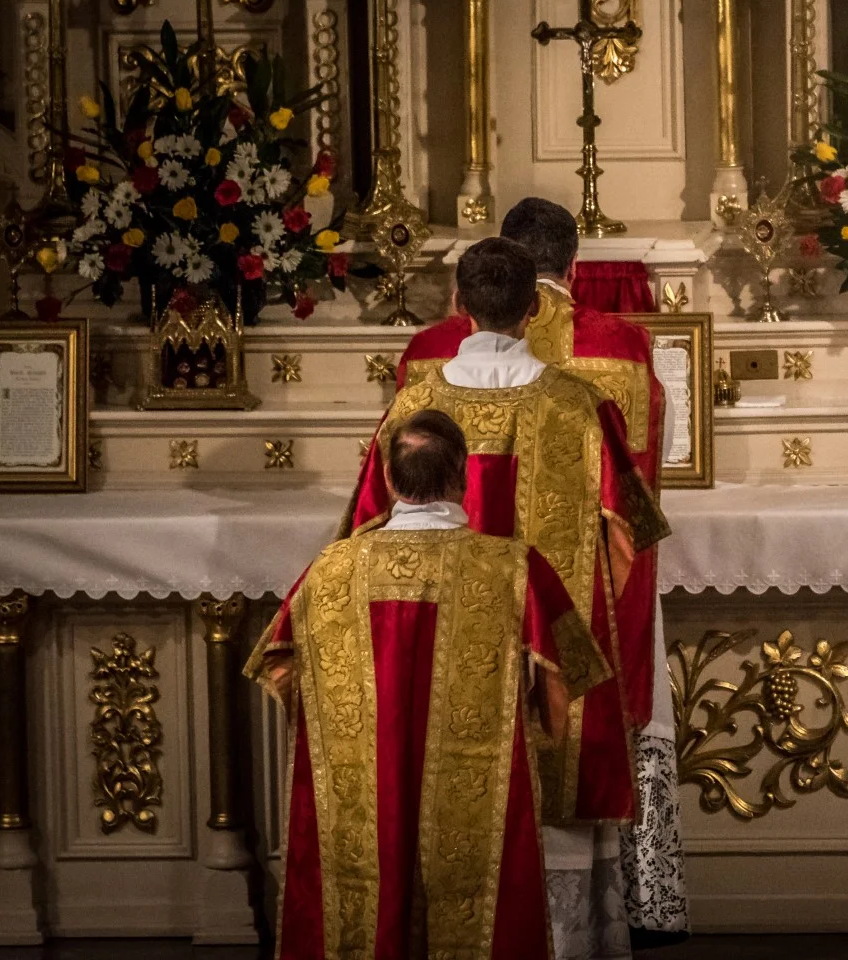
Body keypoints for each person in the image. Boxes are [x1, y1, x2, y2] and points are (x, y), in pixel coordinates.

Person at [349, 237, 668, 960]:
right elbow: (626, 546)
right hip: (545, 653)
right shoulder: (578, 405)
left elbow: (369, 534)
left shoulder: (413, 407)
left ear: (458, 304)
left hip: (437, 660)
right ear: (534, 310)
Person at [247, 410, 610, 959]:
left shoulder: (331, 569)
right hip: (475, 789)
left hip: (366, 790)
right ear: (463, 476)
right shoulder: (513, 567)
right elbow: (564, 678)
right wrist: (535, 735)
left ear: (388, 479)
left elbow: (280, 668)